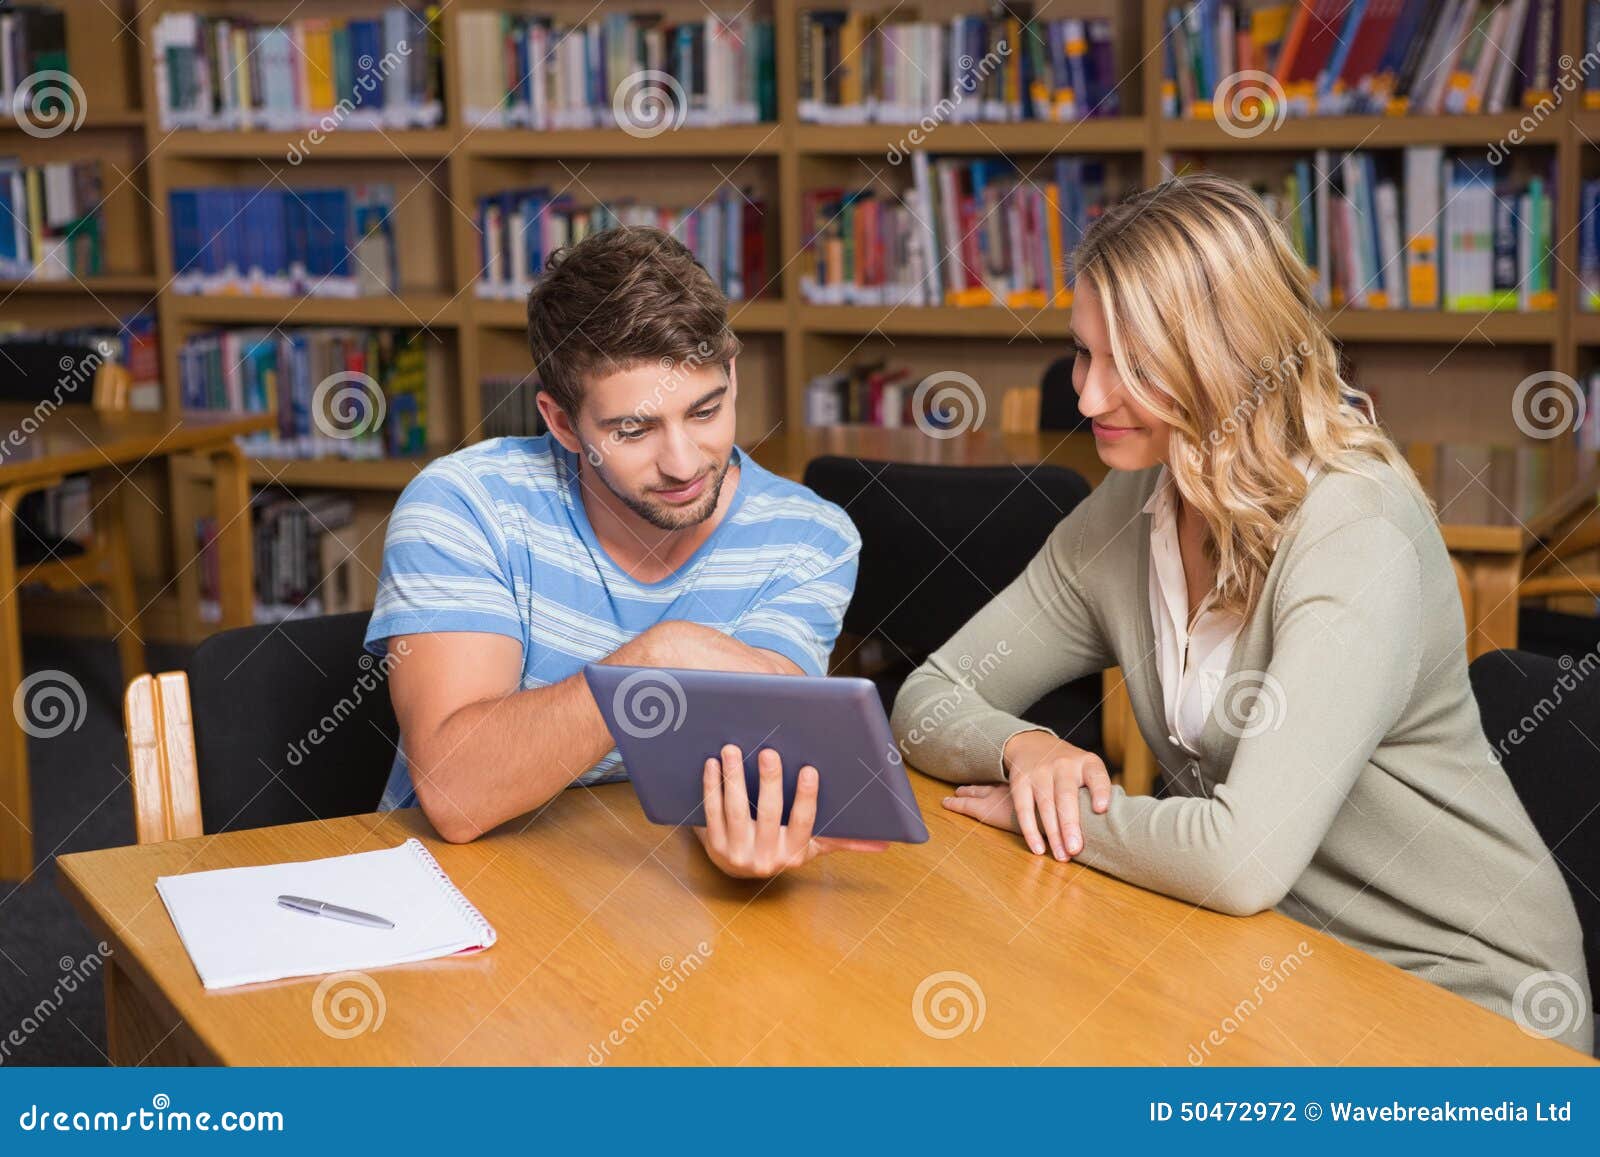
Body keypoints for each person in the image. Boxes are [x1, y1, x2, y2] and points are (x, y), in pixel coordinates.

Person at [890, 173, 1593, 1053]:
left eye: (1135, 366)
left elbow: (1236, 859)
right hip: (1275, 960)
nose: (1089, 395)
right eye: (1082, 352)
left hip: (1464, 1001)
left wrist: (1059, 813)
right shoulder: (1129, 511)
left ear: (1228, 359)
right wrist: (1023, 749)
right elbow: (930, 693)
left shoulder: (1353, 528)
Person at [367, 226, 885, 878]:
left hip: (657, 894)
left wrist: (749, 828)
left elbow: (766, 762)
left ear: (730, 370)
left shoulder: (811, 537)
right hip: (459, 891)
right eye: (634, 429)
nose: (684, 461)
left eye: (706, 410)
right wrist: (657, 659)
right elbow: (456, 794)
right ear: (561, 423)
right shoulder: (464, 506)